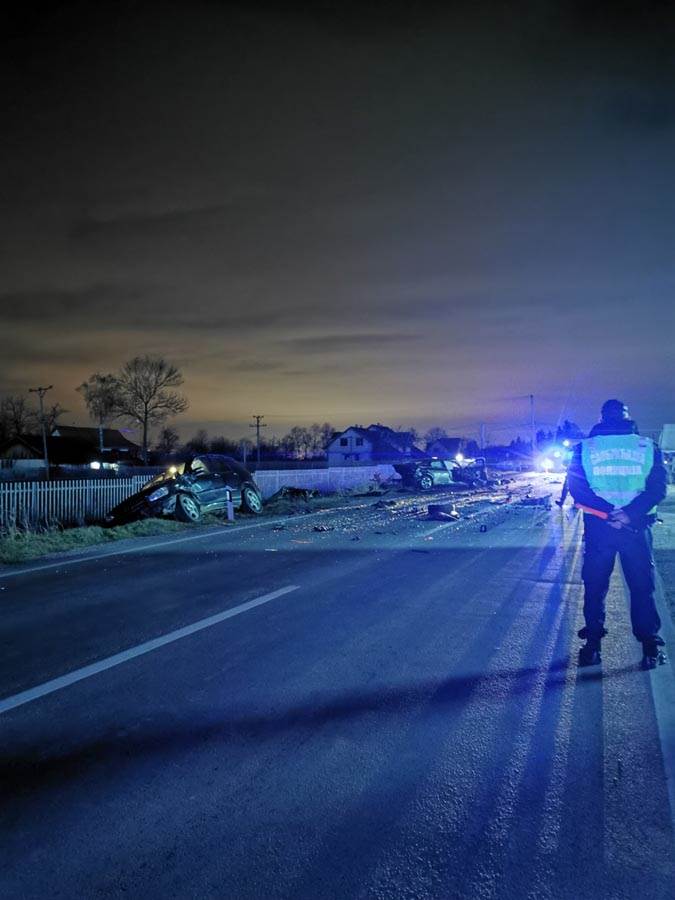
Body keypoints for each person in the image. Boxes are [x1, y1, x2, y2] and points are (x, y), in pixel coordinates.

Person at [568, 399, 668, 668]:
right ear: (627, 417)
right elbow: (658, 488)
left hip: (600, 529)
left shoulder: (584, 449)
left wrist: (607, 513)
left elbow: (578, 489)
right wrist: (629, 514)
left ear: (601, 418)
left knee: (595, 587)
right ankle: (650, 649)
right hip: (636, 529)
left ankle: (592, 647)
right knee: (642, 587)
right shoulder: (647, 446)